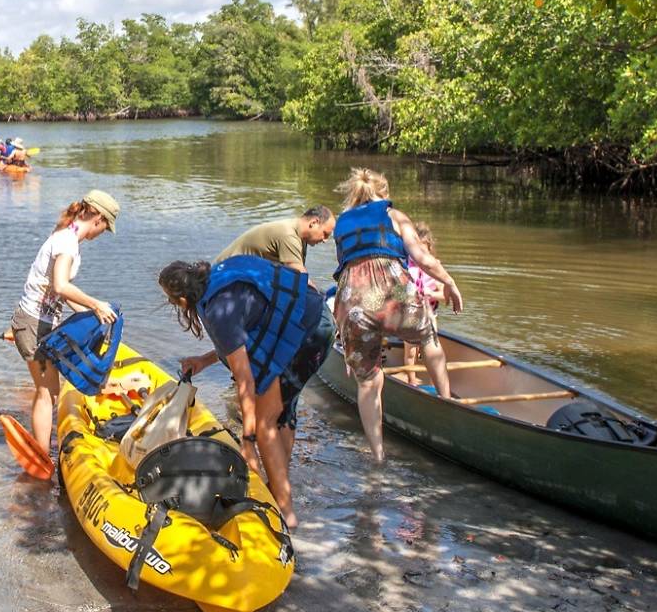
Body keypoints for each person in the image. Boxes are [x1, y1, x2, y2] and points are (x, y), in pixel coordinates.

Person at [159, 255, 332, 529]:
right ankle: (279, 487)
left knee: (263, 425)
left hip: (305, 333)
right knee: (282, 412)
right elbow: (245, 331)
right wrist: (204, 360)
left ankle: (286, 513)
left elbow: (245, 381)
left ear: (182, 300)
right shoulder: (220, 277)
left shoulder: (217, 310)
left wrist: (248, 442)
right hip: (317, 319)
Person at [331, 168, 463, 462]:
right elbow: (421, 258)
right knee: (428, 336)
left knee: (368, 382)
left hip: (352, 300)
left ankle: (378, 456)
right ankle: (445, 401)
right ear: (384, 193)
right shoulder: (395, 216)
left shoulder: (341, 223)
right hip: (394, 291)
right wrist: (449, 283)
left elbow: (348, 263)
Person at [9, 190, 119, 453]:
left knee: (51, 391)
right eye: (105, 228)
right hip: (34, 323)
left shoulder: (66, 236)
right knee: (47, 392)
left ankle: (44, 447)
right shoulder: (67, 242)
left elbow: (58, 292)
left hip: (39, 321)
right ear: (98, 219)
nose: (101, 234)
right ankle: (42, 453)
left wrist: (92, 316)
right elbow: (60, 285)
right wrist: (96, 304)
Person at [216, 206, 337, 272]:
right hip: (221, 274)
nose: (325, 240)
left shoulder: (299, 236)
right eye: (325, 234)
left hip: (240, 273)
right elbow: (299, 275)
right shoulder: (289, 234)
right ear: (314, 223)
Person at [399, 223, 442, 388]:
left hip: (430, 315)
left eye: (423, 252)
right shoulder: (405, 267)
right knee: (410, 352)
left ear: (430, 249)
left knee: (433, 351)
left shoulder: (435, 268)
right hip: (409, 316)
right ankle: (412, 382)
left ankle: (434, 384)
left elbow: (444, 294)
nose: (420, 257)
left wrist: (431, 294)